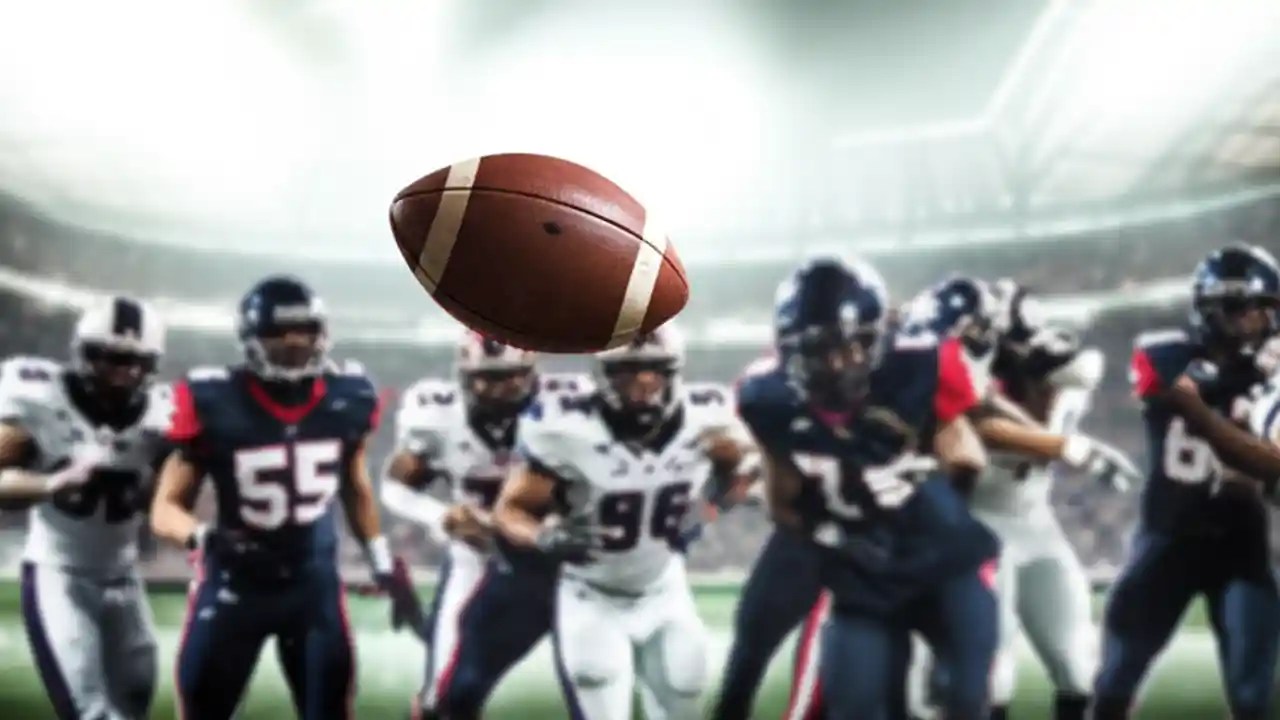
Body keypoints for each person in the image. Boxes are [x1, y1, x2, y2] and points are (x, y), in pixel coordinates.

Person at [149, 275, 421, 720]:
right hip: (234, 586)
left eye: (306, 331)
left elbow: (355, 485)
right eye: (279, 332)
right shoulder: (214, 398)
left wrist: (381, 558)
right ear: (251, 338)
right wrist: (203, 537)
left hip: (312, 590)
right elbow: (164, 508)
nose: (295, 342)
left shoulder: (349, 396)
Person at [494, 323, 754, 720]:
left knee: (685, 691)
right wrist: (544, 536)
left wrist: (705, 512)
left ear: (674, 372)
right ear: (602, 374)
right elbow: (510, 511)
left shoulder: (707, 419)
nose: (643, 383)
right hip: (591, 593)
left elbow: (741, 471)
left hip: (664, 588)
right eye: (627, 370)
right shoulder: (565, 428)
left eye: (654, 369)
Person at [0, 296, 169, 720]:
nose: (121, 374)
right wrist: (51, 483)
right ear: (81, 353)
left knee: (134, 701)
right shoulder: (37, 392)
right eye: (108, 359)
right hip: (59, 574)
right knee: (90, 713)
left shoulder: (163, 414)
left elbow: (173, 499)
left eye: (135, 363)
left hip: (123, 577)